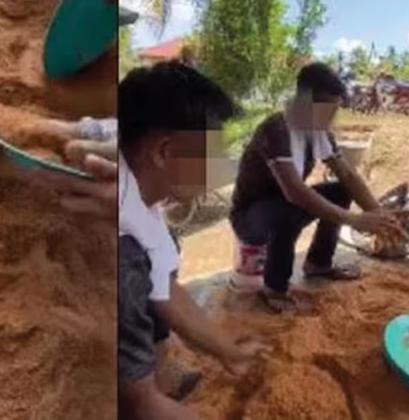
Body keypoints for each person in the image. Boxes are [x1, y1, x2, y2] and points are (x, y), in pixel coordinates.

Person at [118, 61, 268, 420]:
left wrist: (227, 351)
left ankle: (152, 371)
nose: (217, 167)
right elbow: (144, 409)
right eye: (210, 153)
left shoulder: (140, 196)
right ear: (164, 152)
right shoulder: (122, 256)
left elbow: (165, 288)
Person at [229, 62, 405, 314]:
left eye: (333, 112)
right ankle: (275, 288)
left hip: (284, 206)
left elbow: (347, 174)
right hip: (249, 217)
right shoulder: (276, 129)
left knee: (340, 191)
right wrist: (356, 220)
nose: (329, 120)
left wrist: (380, 217)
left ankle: (318, 264)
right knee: (288, 208)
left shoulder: (318, 131)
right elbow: (295, 191)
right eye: (325, 111)